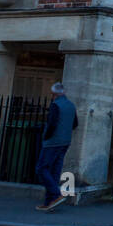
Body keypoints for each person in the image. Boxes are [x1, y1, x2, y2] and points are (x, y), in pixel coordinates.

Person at [36, 82, 78, 212]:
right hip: (65, 142)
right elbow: (75, 123)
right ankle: (49, 202)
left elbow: (52, 124)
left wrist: (46, 137)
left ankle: (56, 194)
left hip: (53, 142)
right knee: (54, 171)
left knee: (41, 168)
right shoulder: (71, 105)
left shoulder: (55, 105)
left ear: (54, 94)